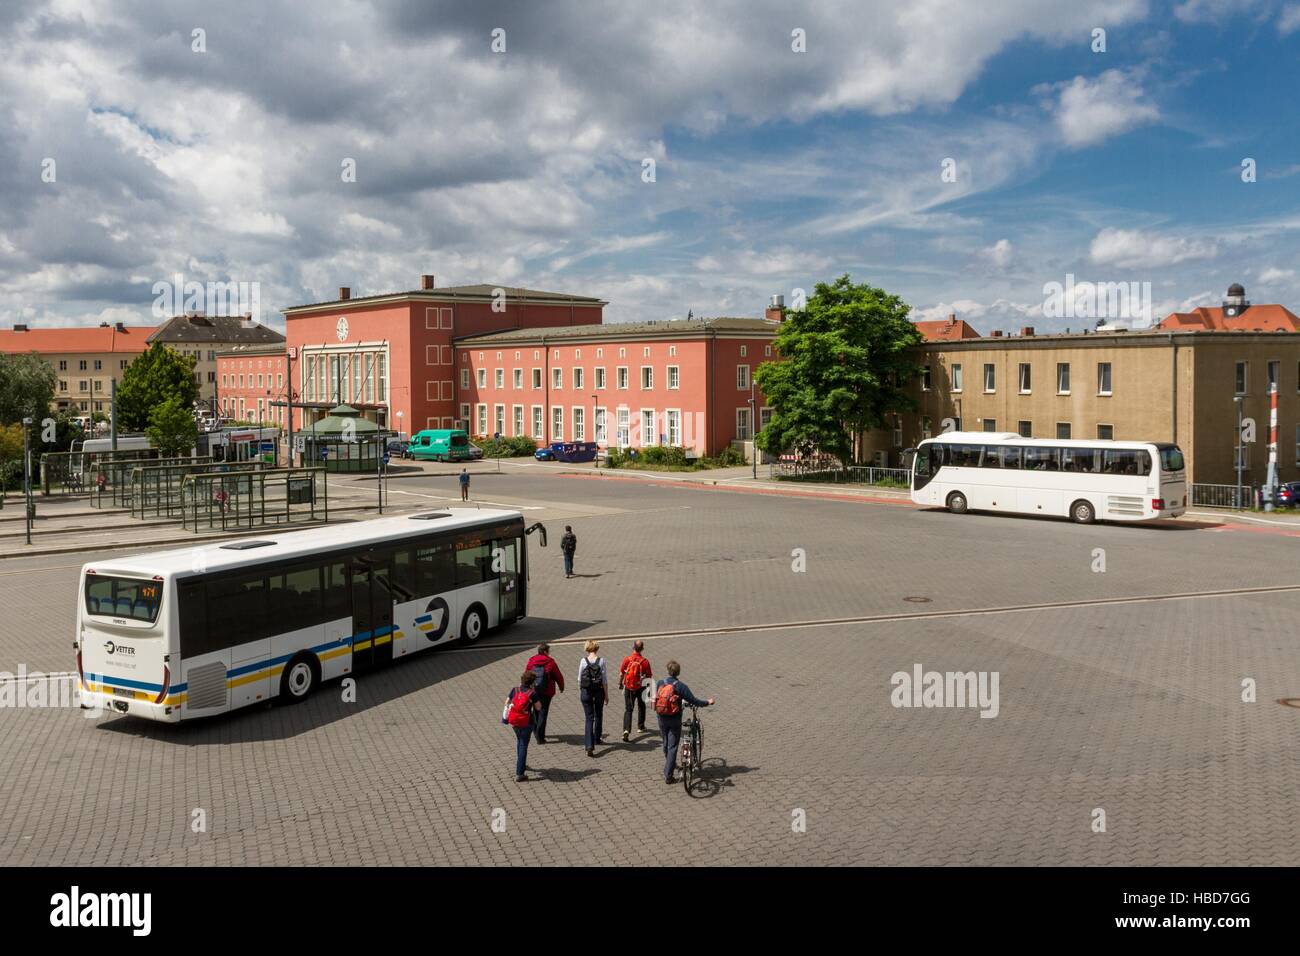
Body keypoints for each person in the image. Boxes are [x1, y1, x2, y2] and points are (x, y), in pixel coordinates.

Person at [653, 661, 715, 785]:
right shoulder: (680, 686)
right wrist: (708, 702)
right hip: (674, 719)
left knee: (665, 743)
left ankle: (670, 764)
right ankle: (668, 776)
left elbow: (653, 697)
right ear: (678, 672)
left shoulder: (660, 683)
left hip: (661, 717)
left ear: (668, 670)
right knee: (673, 747)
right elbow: (694, 700)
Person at [504, 669, 543, 782]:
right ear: (532, 682)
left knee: (519, 741)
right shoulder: (532, 693)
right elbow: (538, 707)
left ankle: (521, 764)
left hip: (514, 721)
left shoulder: (515, 690)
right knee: (523, 745)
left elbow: (506, 702)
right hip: (526, 722)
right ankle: (520, 773)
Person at [524, 643, 565, 744]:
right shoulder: (550, 662)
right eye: (549, 651)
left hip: (533, 691)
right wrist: (561, 686)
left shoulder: (531, 661)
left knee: (535, 711)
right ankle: (540, 737)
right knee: (543, 711)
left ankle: (535, 731)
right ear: (545, 651)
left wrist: (525, 689)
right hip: (547, 691)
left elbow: (526, 675)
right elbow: (558, 676)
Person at [577, 640, 608, 756]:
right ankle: (597, 738)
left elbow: (579, 679)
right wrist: (607, 695)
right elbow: (604, 680)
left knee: (589, 718)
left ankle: (589, 745)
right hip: (598, 691)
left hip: (586, 692)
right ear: (596, 648)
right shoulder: (601, 661)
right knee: (598, 714)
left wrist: (582, 690)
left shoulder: (583, 661)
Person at [618, 640, 653, 740]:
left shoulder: (627, 659)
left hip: (629, 687)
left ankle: (626, 729)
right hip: (640, 686)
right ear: (642, 649)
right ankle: (641, 726)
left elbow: (621, 673)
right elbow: (649, 677)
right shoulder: (645, 661)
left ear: (633, 647)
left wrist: (620, 683)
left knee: (628, 709)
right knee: (641, 706)